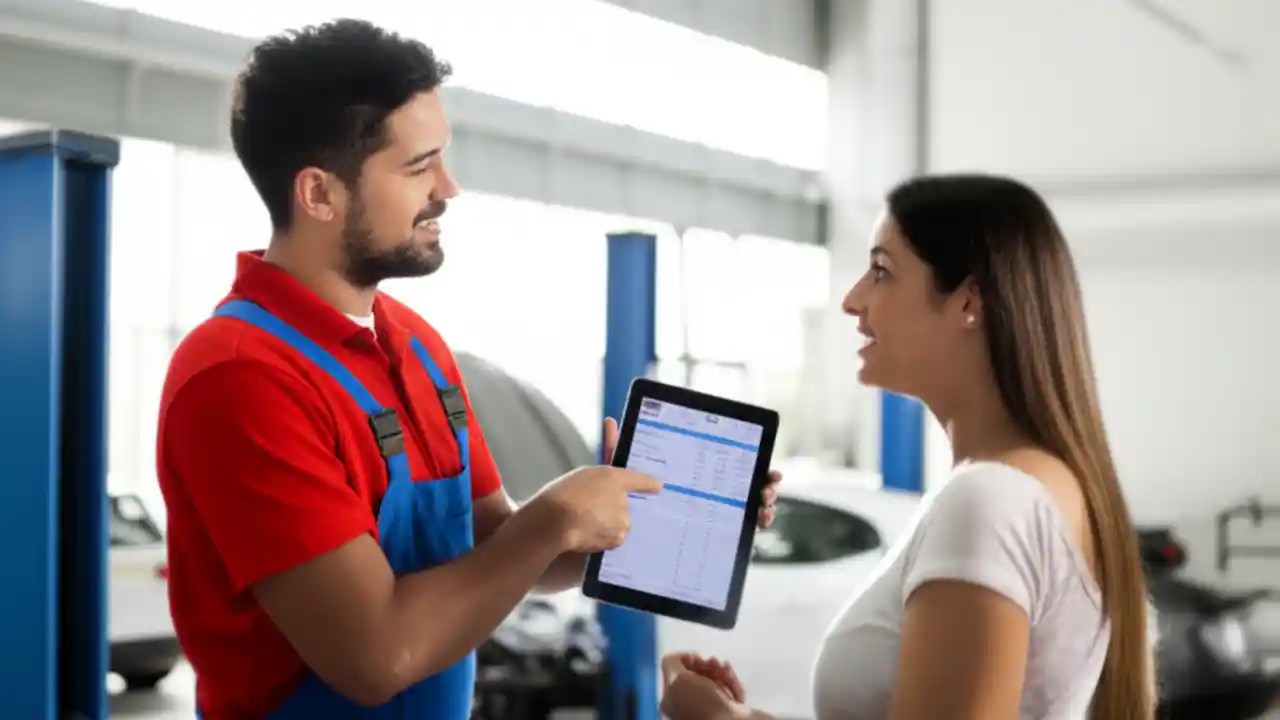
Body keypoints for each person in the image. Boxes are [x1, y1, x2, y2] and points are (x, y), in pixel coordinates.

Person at [154, 19, 781, 720]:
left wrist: (652, 519)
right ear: (319, 194)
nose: (448, 187)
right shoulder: (240, 378)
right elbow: (374, 656)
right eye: (419, 166)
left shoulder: (415, 345)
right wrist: (553, 518)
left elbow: (500, 554)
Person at [660, 174, 1155, 720]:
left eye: (881, 272)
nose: (852, 301)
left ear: (969, 300)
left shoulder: (990, 499)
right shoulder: (1043, 487)